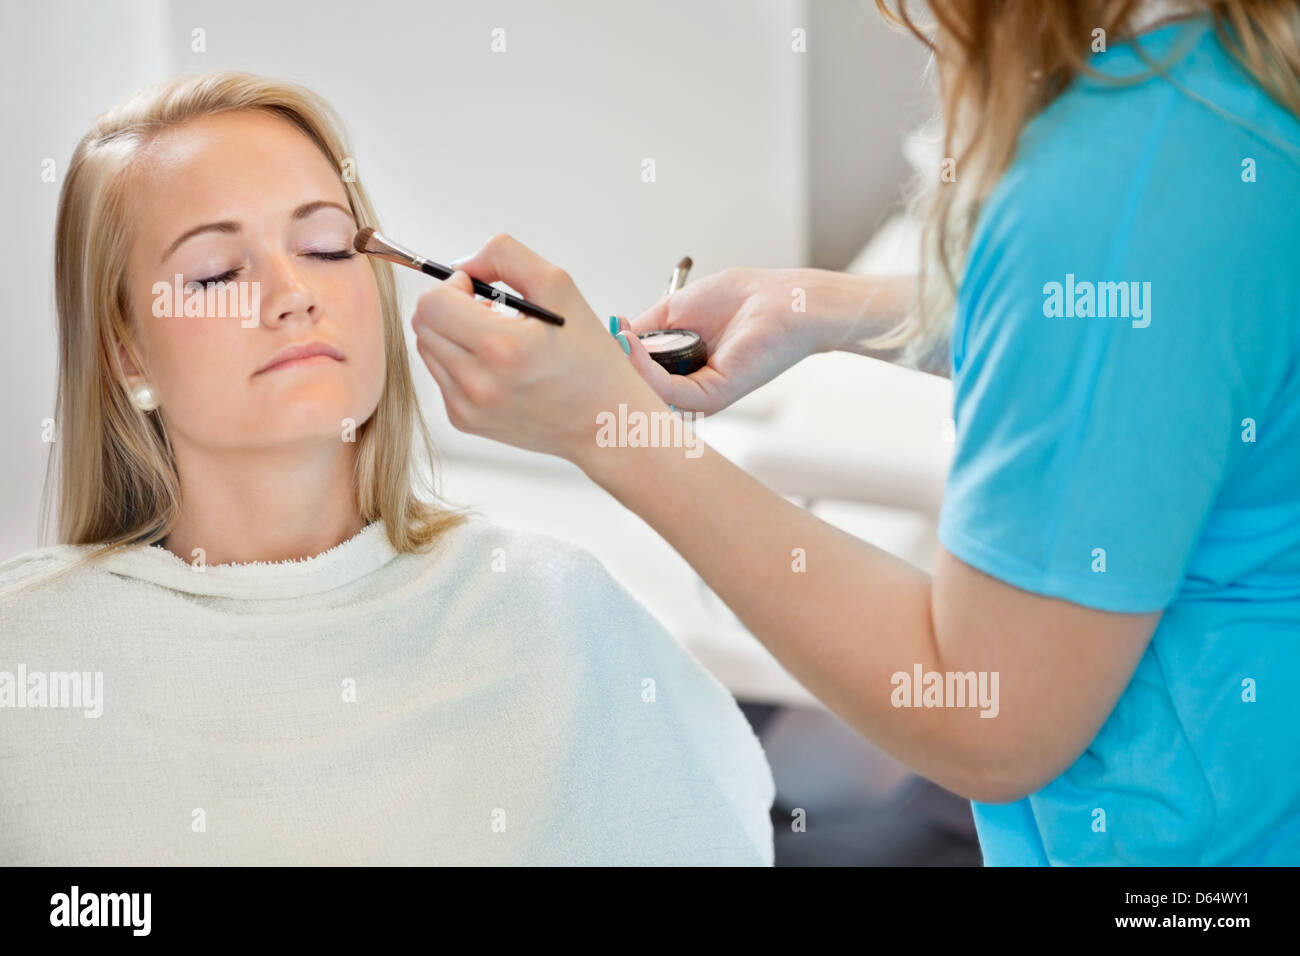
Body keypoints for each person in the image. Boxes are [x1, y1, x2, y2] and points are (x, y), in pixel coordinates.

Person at [409, 2, 1300, 864]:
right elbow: (1169, 331)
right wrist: (830, 306)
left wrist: (609, 430)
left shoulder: (1115, 190)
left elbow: (983, 713)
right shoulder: (1230, 82)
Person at [0, 72, 775, 866]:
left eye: (326, 246)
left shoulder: (552, 609)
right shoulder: (25, 660)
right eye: (216, 273)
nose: (294, 294)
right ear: (127, 352)